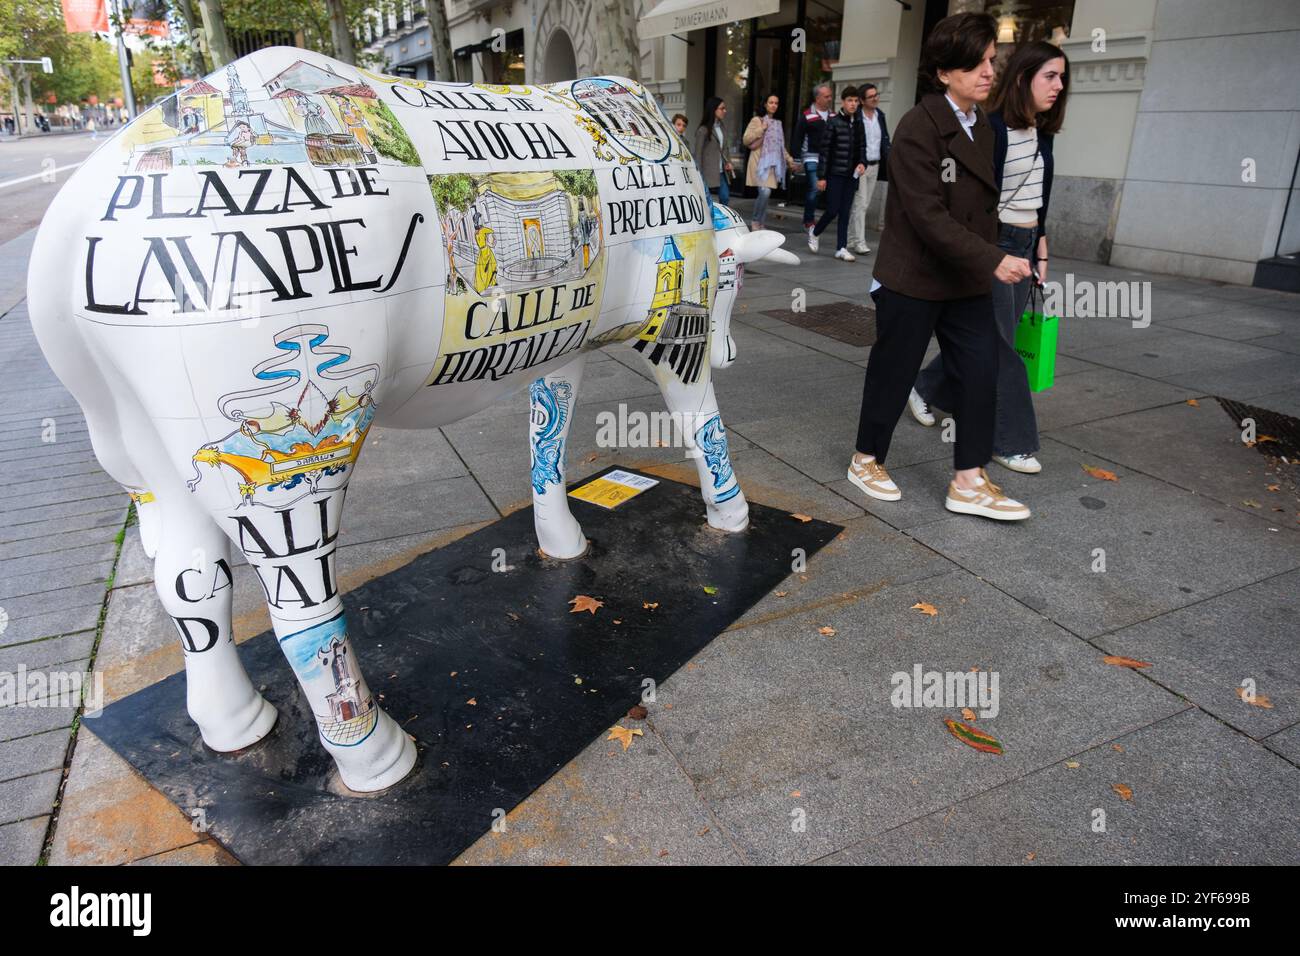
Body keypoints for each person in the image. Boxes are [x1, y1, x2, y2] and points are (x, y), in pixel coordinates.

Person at [847, 11, 1034, 521]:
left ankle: (968, 480)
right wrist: (995, 259)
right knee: (895, 370)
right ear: (945, 72)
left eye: (991, 61)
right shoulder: (917, 127)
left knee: (980, 371)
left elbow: (981, 209)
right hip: (913, 277)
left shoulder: (985, 127)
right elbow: (928, 217)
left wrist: (1003, 255)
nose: (988, 72)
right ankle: (866, 459)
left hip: (966, 278)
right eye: (976, 63)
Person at [910, 40, 1068, 476]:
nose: (1058, 86)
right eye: (1049, 76)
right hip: (993, 247)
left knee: (992, 337)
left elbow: (1040, 197)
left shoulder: (1044, 135)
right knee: (1001, 350)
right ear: (1023, 78)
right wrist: (983, 252)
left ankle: (923, 385)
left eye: (1061, 77)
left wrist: (1041, 249)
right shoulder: (991, 129)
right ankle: (1009, 441)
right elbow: (975, 196)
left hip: (1026, 244)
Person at [810, 86, 866, 260]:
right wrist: (821, 177)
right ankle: (815, 231)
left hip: (851, 174)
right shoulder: (833, 123)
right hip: (835, 173)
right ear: (843, 102)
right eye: (850, 100)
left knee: (845, 211)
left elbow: (862, 147)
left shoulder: (858, 122)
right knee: (833, 209)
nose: (853, 104)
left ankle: (841, 248)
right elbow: (824, 151)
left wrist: (862, 163)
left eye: (856, 101)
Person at [846, 83, 891, 256]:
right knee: (861, 204)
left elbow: (884, 139)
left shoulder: (880, 115)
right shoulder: (857, 117)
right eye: (871, 96)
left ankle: (850, 238)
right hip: (861, 166)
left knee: (863, 204)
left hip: (876, 164)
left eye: (876, 94)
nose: (875, 98)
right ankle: (859, 242)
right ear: (862, 101)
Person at [742, 93, 797, 230]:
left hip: (772, 164)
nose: (773, 105)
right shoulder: (757, 120)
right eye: (771, 102)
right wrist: (762, 128)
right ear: (765, 104)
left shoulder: (778, 124)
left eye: (776, 103)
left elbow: (780, 147)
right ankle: (755, 221)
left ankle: (761, 223)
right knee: (765, 192)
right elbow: (746, 139)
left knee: (766, 194)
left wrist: (790, 160)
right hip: (758, 162)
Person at [789, 83, 833, 240]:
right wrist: (796, 159)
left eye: (830, 96)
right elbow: (797, 138)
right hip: (811, 156)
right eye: (826, 96)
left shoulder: (833, 116)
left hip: (828, 159)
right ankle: (809, 221)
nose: (830, 99)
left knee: (823, 189)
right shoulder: (807, 116)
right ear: (817, 98)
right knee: (814, 188)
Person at [694, 98, 734, 209]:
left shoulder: (722, 127)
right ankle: (709, 222)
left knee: (725, 197)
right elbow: (698, 153)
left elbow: (725, 148)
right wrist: (699, 174)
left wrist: (729, 162)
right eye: (722, 108)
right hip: (707, 171)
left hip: (721, 171)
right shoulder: (703, 130)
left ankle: (720, 220)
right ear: (713, 110)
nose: (724, 111)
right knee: (706, 200)